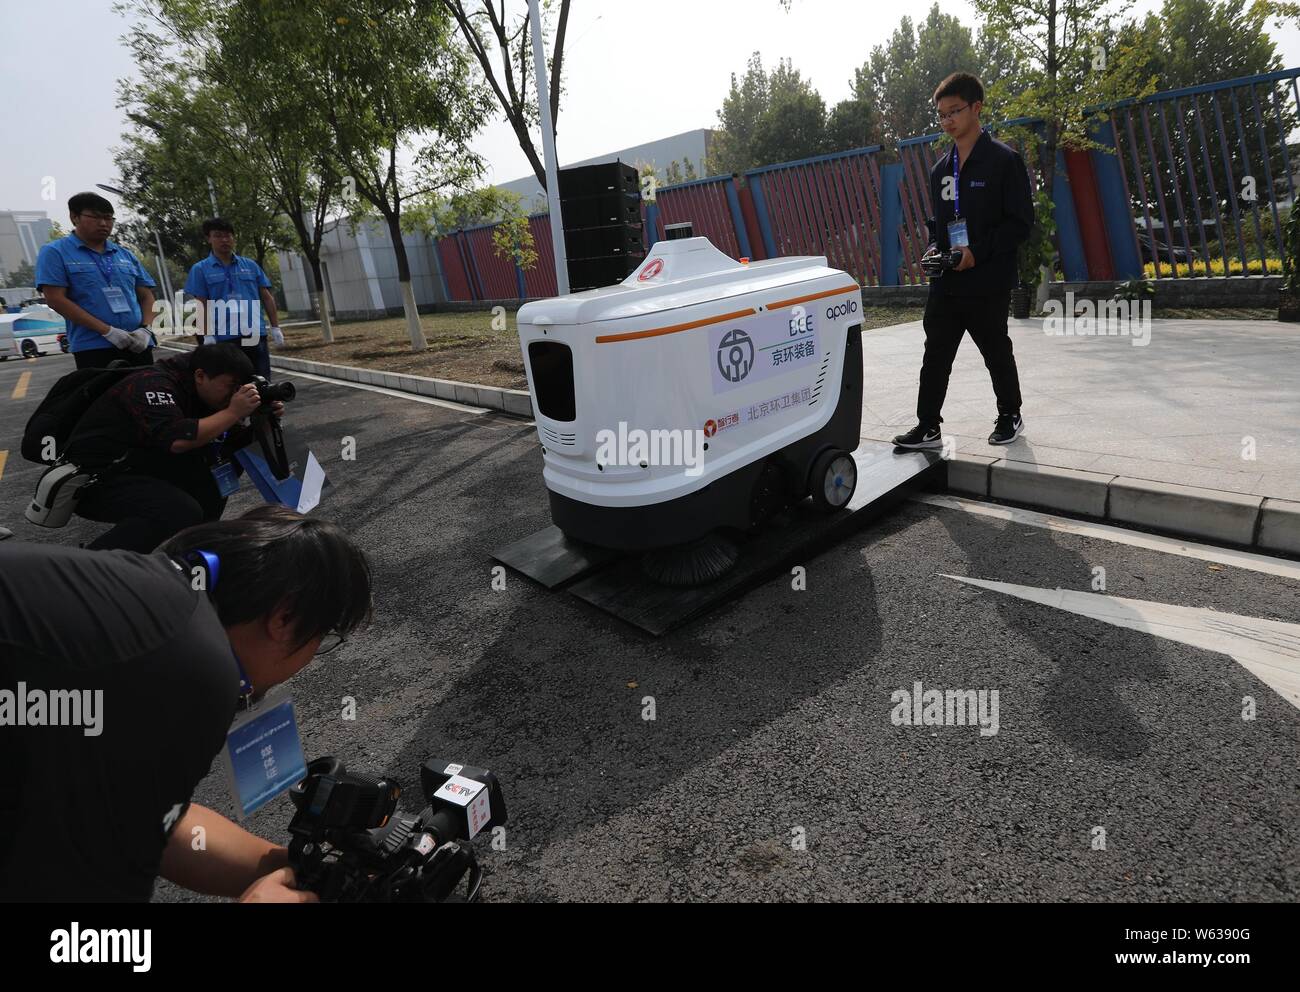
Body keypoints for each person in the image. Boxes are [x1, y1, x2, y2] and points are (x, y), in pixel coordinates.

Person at [0, 505, 372, 902]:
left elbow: (148, 820)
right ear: (284, 616)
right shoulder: (196, 666)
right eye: (323, 637)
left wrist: (298, 874)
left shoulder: (146, 601)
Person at [892, 72, 1035, 450]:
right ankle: (928, 426)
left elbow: (1021, 223)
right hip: (948, 281)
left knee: (995, 350)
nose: (947, 120)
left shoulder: (1004, 161)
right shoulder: (942, 169)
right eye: (941, 114)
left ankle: (1010, 415)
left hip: (987, 280)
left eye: (954, 111)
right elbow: (940, 223)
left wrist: (978, 252)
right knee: (935, 355)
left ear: (976, 108)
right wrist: (934, 248)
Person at [66, 342, 282, 553]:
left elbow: (229, 442)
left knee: (215, 471)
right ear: (200, 376)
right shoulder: (152, 384)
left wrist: (260, 419)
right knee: (175, 510)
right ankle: (90, 567)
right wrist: (233, 412)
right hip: (95, 479)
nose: (235, 395)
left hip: (139, 466)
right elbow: (178, 440)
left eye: (241, 388)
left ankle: (194, 551)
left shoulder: (204, 390)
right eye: (231, 387)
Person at [35, 191, 158, 370]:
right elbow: (55, 299)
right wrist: (107, 331)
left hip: (138, 344)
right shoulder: (55, 252)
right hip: (94, 348)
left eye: (108, 218)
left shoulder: (124, 254)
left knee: (143, 395)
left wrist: (145, 329)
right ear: (74, 217)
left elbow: (147, 296)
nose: (103, 224)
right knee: (105, 397)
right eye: (95, 217)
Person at [184, 218, 283, 378]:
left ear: (233, 238)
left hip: (254, 334)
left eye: (228, 235)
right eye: (218, 235)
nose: (224, 240)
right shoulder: (200, 269)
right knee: (234, 385)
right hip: (224, 338)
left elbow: (266, 297)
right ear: (208, 238)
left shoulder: (250, 265)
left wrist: (276, 327)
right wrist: (207, 335)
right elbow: (201, 304)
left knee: (262, 382)